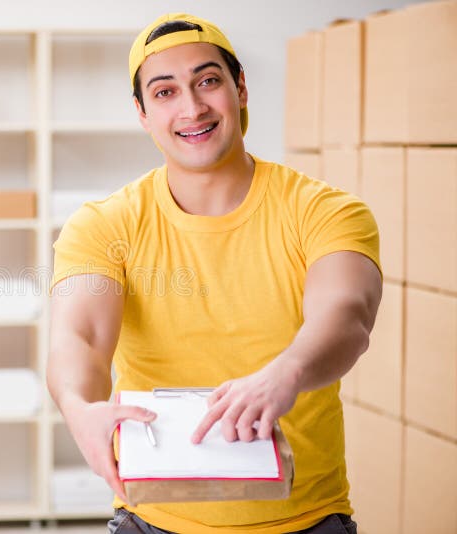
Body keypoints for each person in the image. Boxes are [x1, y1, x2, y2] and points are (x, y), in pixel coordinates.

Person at [46, 13, 382, 534]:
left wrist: (286, 372)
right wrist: (77, 405)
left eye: (208, 81)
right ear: (141, 113)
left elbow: (347, 316)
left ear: (240, 88)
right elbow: (81, 337)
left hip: (307, 520)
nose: (192, 107)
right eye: (164, 92)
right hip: (153, 521)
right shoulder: (103, 224)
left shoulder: (325, 211)